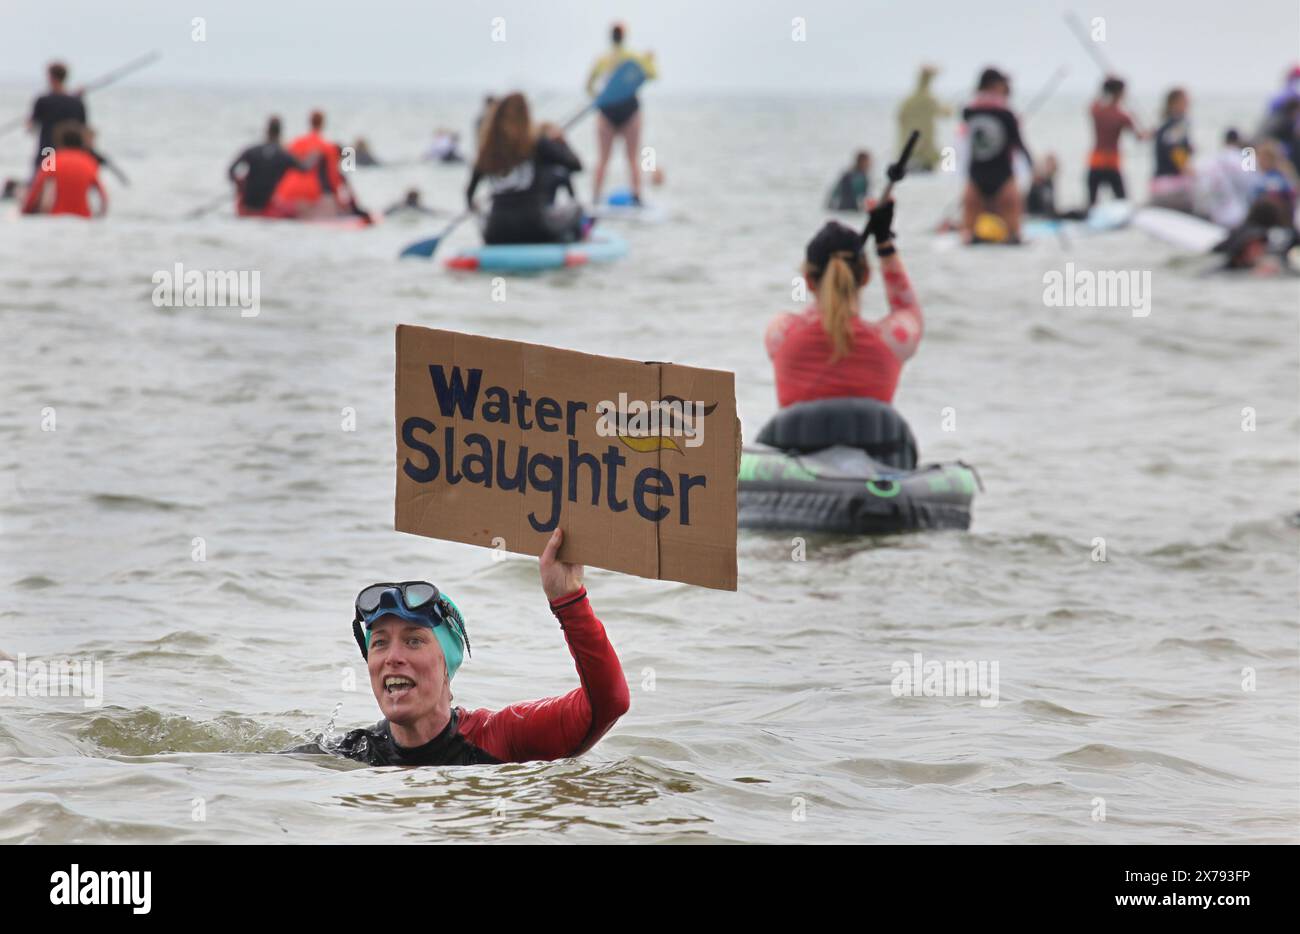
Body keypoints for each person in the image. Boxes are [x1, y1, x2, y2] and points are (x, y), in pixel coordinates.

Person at [305, 529, 629, 767]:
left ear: (447, 663)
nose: (392, 658)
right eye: (379, 643)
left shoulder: (501, 737)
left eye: (413, 640)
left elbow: (607, 703)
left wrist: (568, 600)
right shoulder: (349, 755)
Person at [764, 200, 922, 408]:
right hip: (875, 437)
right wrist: (884, 243)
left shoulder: (781, 334)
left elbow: (810, 318)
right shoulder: (893, 340)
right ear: (866, 276)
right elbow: (908, 311)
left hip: (795, 438)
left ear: (809, 281)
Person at [467, 93, 584, 244]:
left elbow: (469, 194)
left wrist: (476, 208)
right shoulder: (538, 144)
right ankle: (576, 242)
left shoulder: (487, 151)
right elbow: (576, 166)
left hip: (496, 232)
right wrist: (561, 141)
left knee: (485, 213)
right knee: (576, 207)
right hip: (537, 228)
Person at [586, 22, 657, 205]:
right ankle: (636, 196)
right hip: (629, 110)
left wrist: (598, 97)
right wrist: (649, 60)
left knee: (603, 158)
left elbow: (589, 86)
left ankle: (595, 198)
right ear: (624, 36)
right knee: (632, 157)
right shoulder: (634, 57)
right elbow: (651, 75)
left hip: (607, 110)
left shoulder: (603, 59)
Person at [959, 67, 1032, 242]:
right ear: (995, 85)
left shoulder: (968, 112)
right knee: (1014, 236)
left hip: (975, 178)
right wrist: (1032, 168)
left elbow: (962, 146)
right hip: (1004, 178)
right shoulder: (1006, 114)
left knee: (968, 236)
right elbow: (1019, 145)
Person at [228, 116, 315, 218]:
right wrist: (313, 156)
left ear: (266, 131)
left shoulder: (252, 151)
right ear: (280, 133)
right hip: (267, 207)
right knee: (300, 207)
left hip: (246, 204)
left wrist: (240, 185)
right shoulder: (284, 155)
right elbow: (304, 169)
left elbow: (231, 171)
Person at [272, 110, 351, 218]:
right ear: (323, 123)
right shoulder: (326, 147)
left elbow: (282, 169)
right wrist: (339, 202)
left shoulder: (295, 143)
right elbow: (333, 178)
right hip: (310, 195)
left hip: (285, 192)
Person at [21, 124, 106, 218]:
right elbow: (102, 196)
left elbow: (36, 189)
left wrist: (25, 211)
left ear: (59, 141)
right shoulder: (89, 162)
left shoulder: (52, 160)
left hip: (57, 215)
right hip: (84, 216)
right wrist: (101, 214)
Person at [1086, 76, 1146, 207]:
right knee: (1123, 203)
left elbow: (1093, 104)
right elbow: (1141, 137)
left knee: (1092, 205)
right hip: (1112, 163)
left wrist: (1105, 88)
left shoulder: (1097, 111)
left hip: (1096, 161)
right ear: (1119, 93)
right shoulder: (1122, 116)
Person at [27, 62, 86, 173]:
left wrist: (29, 121)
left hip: (48, 151)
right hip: (70, 154)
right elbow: (83, 129)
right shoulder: (76, 102)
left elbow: (31, 128)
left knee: (43, 182)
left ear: (51, 77)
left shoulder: (43, 101)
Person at [896, 65, 951, 172]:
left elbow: (900, 118)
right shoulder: (929, 99)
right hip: (924, 149)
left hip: (909, 148)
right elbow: (946, 113)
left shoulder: (909, 100)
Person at [1195, 129, 1254, 228]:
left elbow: (1202, 185)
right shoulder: (1245, 159)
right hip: (1240, 215)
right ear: (1238, 141)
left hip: (1215, 215)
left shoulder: (1213, 158)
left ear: (1224, 141)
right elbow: (1251, 185)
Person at [1150, 88, 1195, 212]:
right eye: (1185, 102)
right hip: (1171, 185)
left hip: (1157, 184)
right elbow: (1175, 150)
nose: (1187, 106)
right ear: (1175, 103)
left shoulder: (1165, 125)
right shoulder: (1178, 124)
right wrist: (1189, 170)